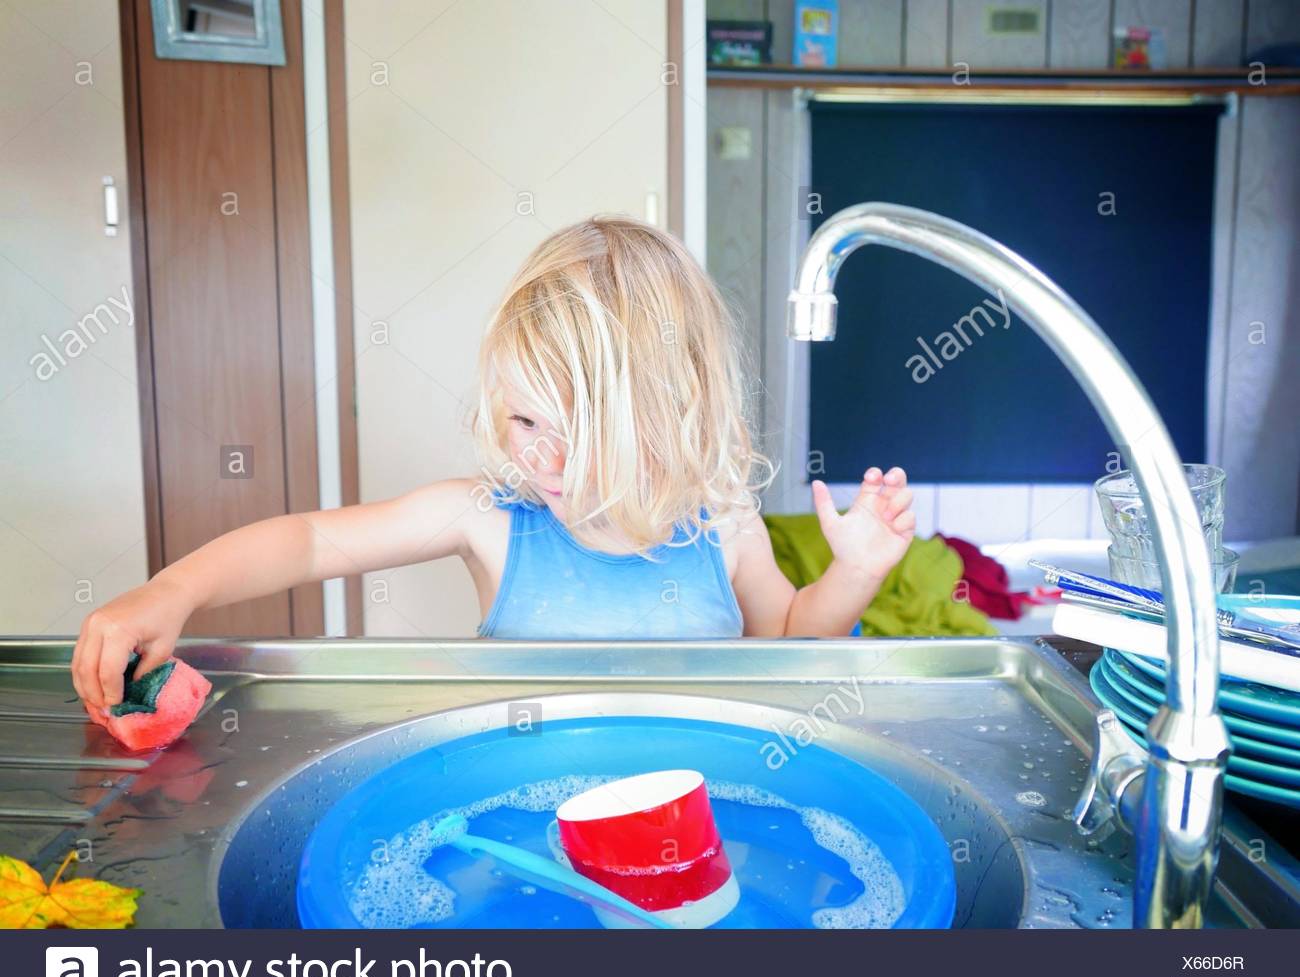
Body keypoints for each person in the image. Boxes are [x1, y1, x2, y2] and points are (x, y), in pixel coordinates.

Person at [71, 216, 914, 710]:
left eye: (577, 430)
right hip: (520, 814)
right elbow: (311, 544)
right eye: (523, 418)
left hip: (693, 813)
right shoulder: (487, 518)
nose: (539, 455)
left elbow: (792, 641)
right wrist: (170, 589)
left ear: (666, 414)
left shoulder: (722, 527)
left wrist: (856, 576)